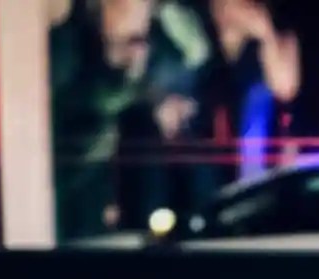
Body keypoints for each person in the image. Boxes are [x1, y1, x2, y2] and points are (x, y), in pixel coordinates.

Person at [48, 0, 208, 243]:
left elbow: (197, 51)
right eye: (125, 10)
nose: (137, 25)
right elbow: (94, 102)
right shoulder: (69, 52)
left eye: (143, 15)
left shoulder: (145, 56)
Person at [200, 0, 301, 183]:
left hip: (273, 116)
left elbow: (286, 87)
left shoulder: (281, 29)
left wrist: (269, 37)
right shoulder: (228, 10)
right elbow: (235, 17)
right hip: (238, 112)